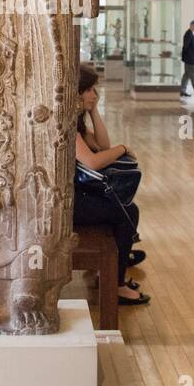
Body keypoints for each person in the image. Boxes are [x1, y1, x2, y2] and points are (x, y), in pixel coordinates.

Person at [74, 63, 149, 306]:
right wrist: (123, 148)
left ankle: (110, 268)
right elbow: (94, 162)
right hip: (70, 203)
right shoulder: (67, 128)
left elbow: (102, 146)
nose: (94, 95)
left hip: (78, 195)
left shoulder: (77, 124)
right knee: (127, 210)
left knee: (125, 209)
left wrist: (94, 112)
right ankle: (115, 284)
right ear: (76, 92)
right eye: (89, 91)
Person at [180, 19, 194, 99]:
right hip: (191, 61)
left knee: (186, 76)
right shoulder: (188, 34)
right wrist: (188, 57)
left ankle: (182, 90)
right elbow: (186, 47)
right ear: (192, 26)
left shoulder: (191, 34)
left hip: (190, 60)